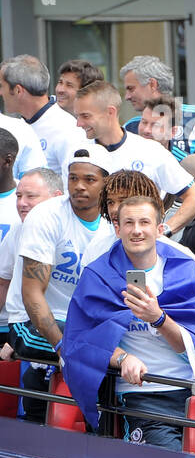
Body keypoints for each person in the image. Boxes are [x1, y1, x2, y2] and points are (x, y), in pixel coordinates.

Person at [60, 195, 195, 448]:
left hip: (190, 391)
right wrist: (123, 358)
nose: (136, 231)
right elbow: (81, 339)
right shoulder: (98, 274)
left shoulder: (184, 267)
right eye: (129, 223)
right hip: (140, 394)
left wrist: (157, 318)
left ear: (159, 228)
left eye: (144, 222)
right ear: (117, 228)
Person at [14, 147, 115, 420]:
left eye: (89, 179)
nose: (79, 186)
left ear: (106, 181)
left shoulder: (113, 223)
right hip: (35, 320)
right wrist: (62, 345)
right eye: (73, 178)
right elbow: (32, 295)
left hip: (86, 324)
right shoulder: (47, 215)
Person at [73, 81, 195, 235]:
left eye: (85, 116)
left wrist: (164, 231)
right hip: (90, 251)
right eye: (77, 116)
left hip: (139, 250)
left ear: (110, 112)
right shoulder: (74, 151)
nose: (78, 123)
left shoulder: (150, 151)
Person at [0, 168, 62, 361]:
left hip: (66, 324)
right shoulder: (18, 229)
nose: (21, 203)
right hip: (27, 325)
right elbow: (3, 282)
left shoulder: (73, 229)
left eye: (30, 196)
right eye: (18, 196)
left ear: (56, 198)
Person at [0, 55, 84, 176]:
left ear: (18, 90)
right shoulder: (17, 126)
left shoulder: (67, 130)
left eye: (1, 86)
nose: (0, 93)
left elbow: (71, 188)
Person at [118, 56, 195, 160]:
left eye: (131, 89)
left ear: (152, 84)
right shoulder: (129, 127)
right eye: (144, 122)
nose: (127, 97)